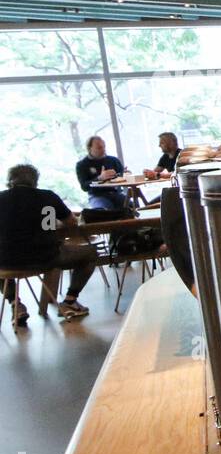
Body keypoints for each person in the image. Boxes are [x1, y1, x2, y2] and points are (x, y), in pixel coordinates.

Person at [0, 164, 94, 323]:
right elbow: (70, 222)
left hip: (6, 261)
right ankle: (70, 302)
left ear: (10, 182)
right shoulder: (47, 197)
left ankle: (15, 303)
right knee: (90, 253)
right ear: (35, 181)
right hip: (45, 257)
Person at [75, 135, 127, 211]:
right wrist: (99, 178)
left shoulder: (114, 160)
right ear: (90, 148)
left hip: (116, 193)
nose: (103, 149)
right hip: (97, 196)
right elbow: (84, 186)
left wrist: (124, 174)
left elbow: (122, 177)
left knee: (134, 208)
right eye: (99, 147)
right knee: (103, 211)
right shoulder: (82, 165)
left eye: (104, 147)